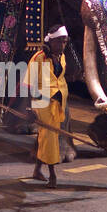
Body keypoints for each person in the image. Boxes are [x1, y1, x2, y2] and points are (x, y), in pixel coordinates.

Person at [26, 26, 70, 187]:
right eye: (59, 42)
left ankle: (37, 170)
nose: (62, 45)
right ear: (50, 41)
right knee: (50, 138)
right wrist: (31, 109)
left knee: (44, 137)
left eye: (64, 42)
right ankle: (53, 175)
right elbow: (30, 84)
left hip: (57, 103)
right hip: (42, 102)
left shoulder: (61, 57)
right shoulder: (39, 59)